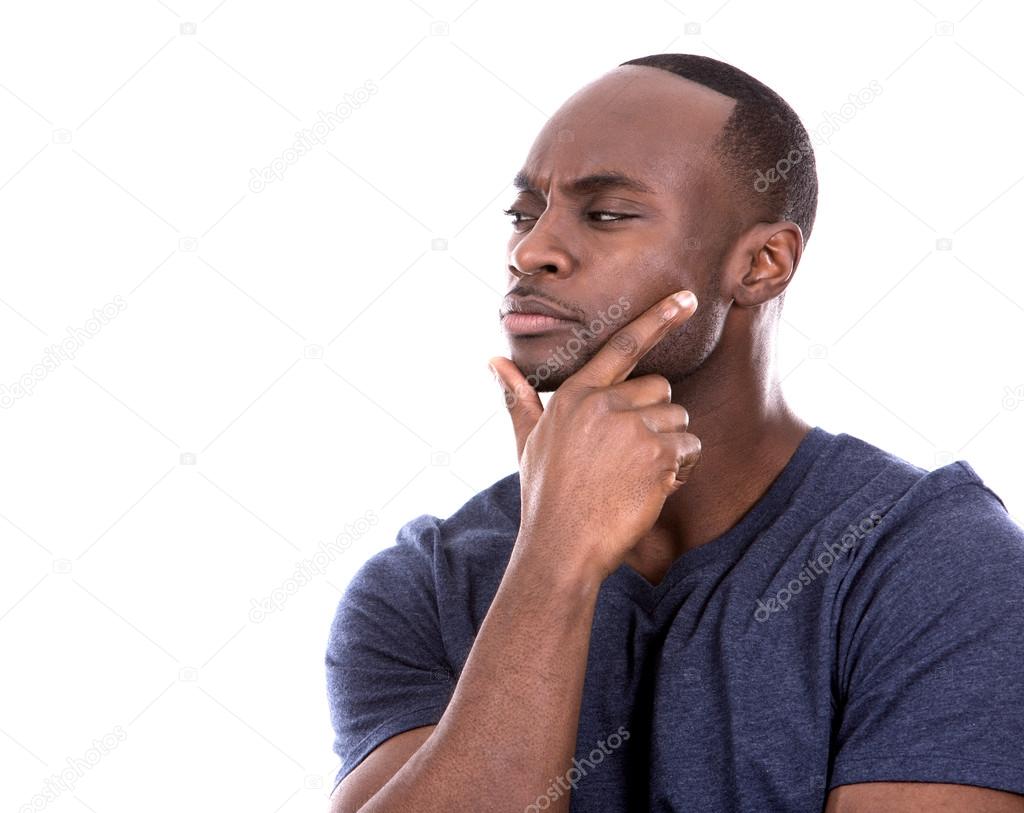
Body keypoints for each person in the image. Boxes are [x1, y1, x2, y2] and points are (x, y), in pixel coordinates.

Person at [325, 53, 1024, 812]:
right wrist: (553, 556)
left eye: (607, 214)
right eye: (526, 214)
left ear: (761, 264)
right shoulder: (425, 586)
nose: (530, 252)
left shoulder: (932, 561)